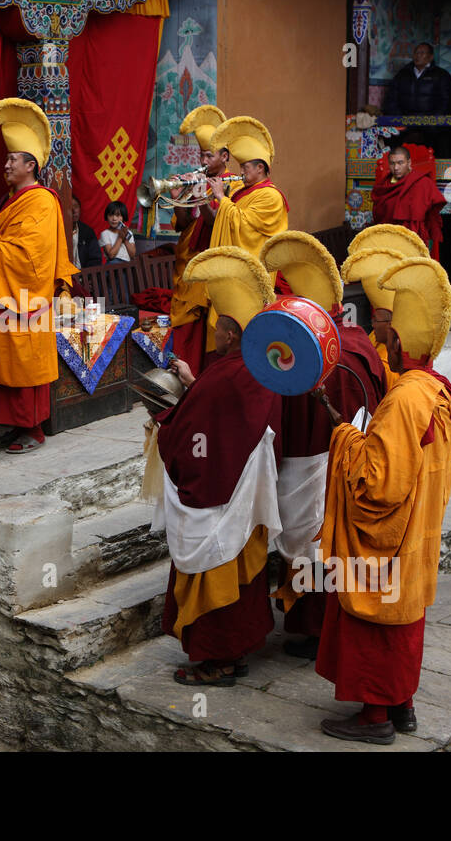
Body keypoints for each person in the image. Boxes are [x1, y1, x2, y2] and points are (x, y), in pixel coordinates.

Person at [315, 255, 451, 744]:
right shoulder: (438, 392)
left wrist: (344, 436)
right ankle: (401, 705)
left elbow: (377, 485)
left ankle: (374, 717)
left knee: (377, 622)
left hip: (389, 542)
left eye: (387, 336)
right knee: (405, 621)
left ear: (401, 340)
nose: (382, 342)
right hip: (419, 533)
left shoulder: (404, 400)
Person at [151, 246, 281, 685]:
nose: (215, 336)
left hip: (216, 498)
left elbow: (188, 432)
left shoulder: (225, 374)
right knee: (242, 573)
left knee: (214, 570)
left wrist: (161, 422)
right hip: (245, 495)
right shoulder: (253, 368)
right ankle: (236, 653)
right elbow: (218, 416)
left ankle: (217, 661)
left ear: (228, 333)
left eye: (218, 328)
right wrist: (194, 384)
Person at [260, 231, 387, 661]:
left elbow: (282, 409)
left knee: (309, 538)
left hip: (307, 458)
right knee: (333, 540)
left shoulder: (304, 350)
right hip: (354, 453)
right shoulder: (356, 339)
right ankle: (329, 621)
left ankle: (311, 627)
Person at [0, 98, 78, 455]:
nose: (5, 165)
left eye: (11, 160)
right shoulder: (13, 199)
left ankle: (33, 430)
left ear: (30, 165)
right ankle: (12, 427)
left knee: (25, 364)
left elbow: (32, 254)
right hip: (6, 292)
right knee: (4, 363)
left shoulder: (42, 201)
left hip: (26, 298)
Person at [205, 115, 287, 342]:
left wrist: (222, 197)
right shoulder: (245, 191)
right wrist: (207, 199)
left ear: (260, 168)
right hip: (235, 270)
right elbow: (227, 219)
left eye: (245, 167)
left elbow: (244, 227)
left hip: (252, 273)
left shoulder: (270, 196)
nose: (241, 171)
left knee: (247, 328)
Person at [164, 106, 226, 377]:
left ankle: (202, 384)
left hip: (212, 273)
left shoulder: (230, 186)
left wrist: (202, 197)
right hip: (189, 272)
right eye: (200, 154)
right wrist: (179, 197)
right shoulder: (197, 181)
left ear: (224, 157)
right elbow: (184, 224)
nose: (202, 159)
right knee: (186, 336)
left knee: (209, 339)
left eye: (208, 155)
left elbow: (216, 224)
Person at [341, 223, 432, 387]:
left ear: (392, 325)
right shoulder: (376, 339)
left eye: (377, 319)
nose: (373, 324)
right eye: (373, 318)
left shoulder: (391, 363)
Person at [370, 145, 445, 258]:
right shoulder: (385, 185)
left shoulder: (423, 182)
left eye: (400, 163)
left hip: (416, 238)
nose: (396, 168)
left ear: (409, 163)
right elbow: (379, 215)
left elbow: (432, 213)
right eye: (392, 163)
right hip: (389, 239)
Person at [384, 42, 451, 155]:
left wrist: (434, 119)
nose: (418, 56)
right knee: (391, 137)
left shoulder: (441, 75)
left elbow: (446, 101)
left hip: (430, 121)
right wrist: (399, 118)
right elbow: (392, 99)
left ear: (430, 57)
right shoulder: (403, 74)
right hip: (406, 119)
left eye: (422, 53)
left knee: (441, 139)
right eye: (416, 53)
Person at [68, 195, 102, 269]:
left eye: (76, 206)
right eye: (69, 207)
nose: (74, 210)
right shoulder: (57, 231)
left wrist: (88, 278)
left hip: (85, 276)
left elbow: (96, 259)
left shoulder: (87, 231)